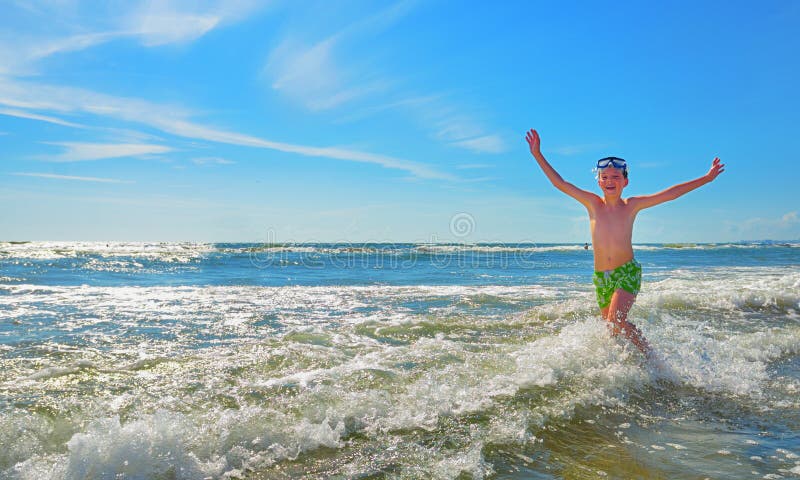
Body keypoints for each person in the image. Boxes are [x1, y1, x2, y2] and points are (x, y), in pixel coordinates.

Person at [525, 129, 724, 355]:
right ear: (599, 182)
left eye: (615, 177)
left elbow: (671, 194)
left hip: (627, 272)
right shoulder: (592, 204)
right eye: (605, 177)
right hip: (602, 278)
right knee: (611, 330)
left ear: (625, 181)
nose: (610, 181)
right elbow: (559, 183)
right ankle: (630, 364)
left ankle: (652, 359)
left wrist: (706, 178)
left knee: (617, 321)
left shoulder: (631, 206)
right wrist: (537, 154)